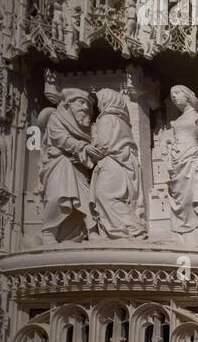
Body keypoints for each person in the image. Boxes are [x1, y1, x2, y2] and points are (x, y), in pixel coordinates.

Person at [39, 88, 100, 242]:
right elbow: (60, 139)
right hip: (59, 164)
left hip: (79, 168)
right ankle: (49, 232)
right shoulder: (56, 118)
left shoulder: (88, 127)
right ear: (69, 104)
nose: (86, 107)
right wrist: (82, 147)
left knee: (86, 199)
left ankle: (91, 231)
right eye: (81, 102)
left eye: (88, 105)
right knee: (56, 197)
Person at [91, 88, 148, 239]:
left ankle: (130, 228)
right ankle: (128, 229)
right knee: (116, 197)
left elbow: (103, 144)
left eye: (100, 101)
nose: (98, 106)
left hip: (113, 164)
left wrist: (90, 143)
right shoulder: (122, 121)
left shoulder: (106, 119)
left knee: (104, 194)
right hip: (126, 163)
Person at [166, 85, 198, 236]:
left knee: (193, 193)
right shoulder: (177, 121)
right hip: (178, 159)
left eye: (177, 93)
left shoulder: (197, 116)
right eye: (172, 95)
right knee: (180, 195)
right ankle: (183, 233)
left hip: (192, 158)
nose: (174, 97)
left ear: (187, 96)